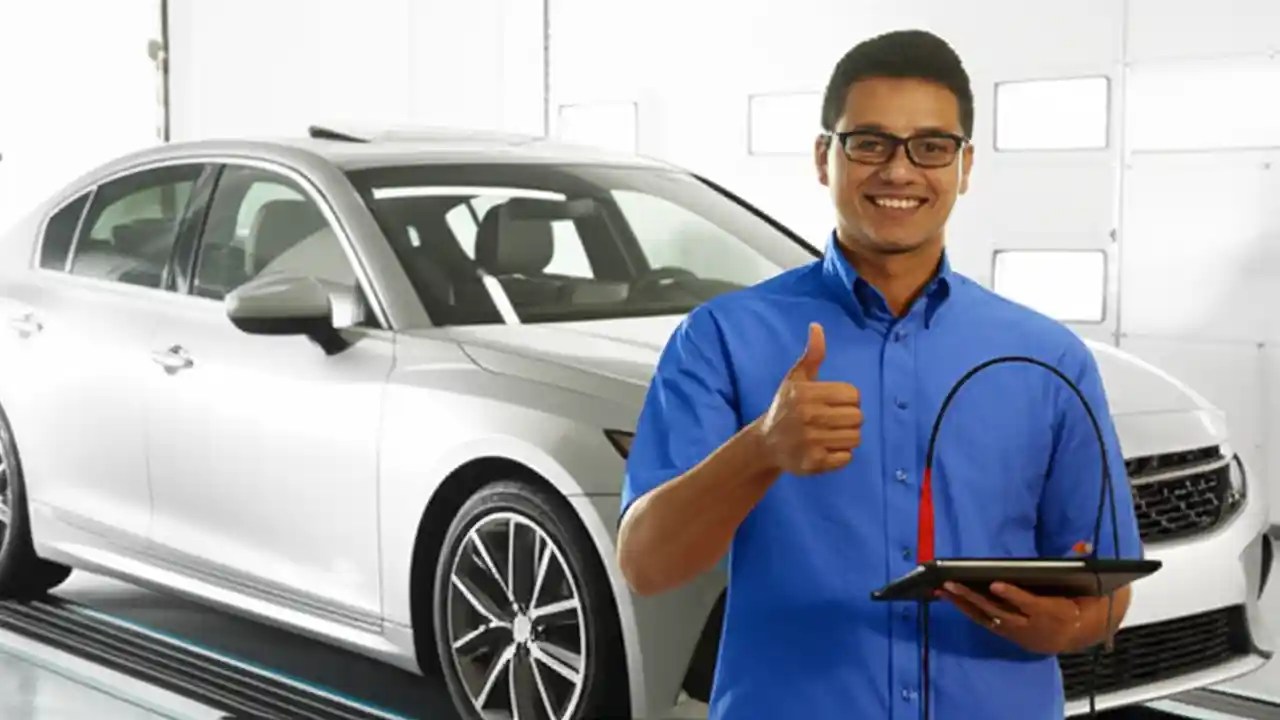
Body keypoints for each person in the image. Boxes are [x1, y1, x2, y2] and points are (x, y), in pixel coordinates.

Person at [616, 28, 1145, 720]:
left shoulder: (1049, 357)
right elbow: (647, 566)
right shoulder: (720, 339)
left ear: (965, 166)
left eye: (931, 146)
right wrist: (763, 448)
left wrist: (1072, 629)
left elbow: (1108, 585)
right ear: (822, 157)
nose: (899, 171)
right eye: (869, 142)